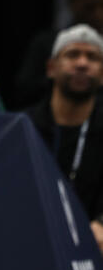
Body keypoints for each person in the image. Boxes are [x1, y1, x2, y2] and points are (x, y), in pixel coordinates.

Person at [24, 24, 103, 250]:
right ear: (51, 68)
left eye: (92, 57)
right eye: (72, 54)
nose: (82, 63)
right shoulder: (24, 128)